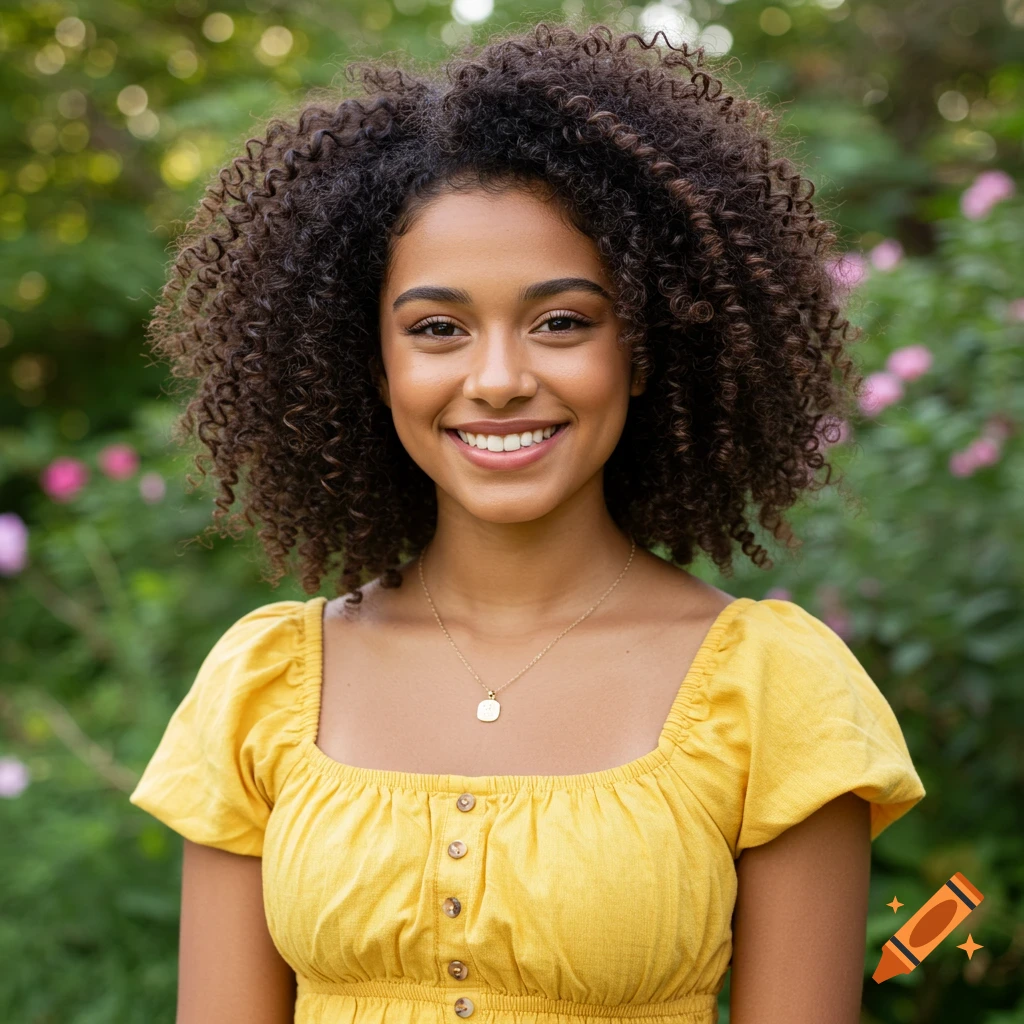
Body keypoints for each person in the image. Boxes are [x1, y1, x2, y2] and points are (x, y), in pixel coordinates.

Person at [130, 21, 926, 1024]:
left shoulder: (775, 692)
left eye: (562, 322)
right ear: (372, 365)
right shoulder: (265, 688)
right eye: (437, 329)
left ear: (643, 346)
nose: (500, 378)